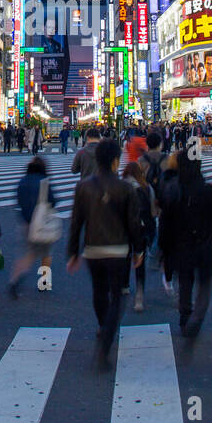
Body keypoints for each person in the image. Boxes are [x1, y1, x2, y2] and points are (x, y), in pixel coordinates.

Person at [67, 138, 142, 371]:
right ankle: (106, 341)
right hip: (118, 250)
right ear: (115, 161)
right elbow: (134, 224)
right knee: (117, 297)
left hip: (93, 249)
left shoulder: (84, 187)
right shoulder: (126, 188)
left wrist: (72, 252)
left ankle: (102, 326)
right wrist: (138, 249)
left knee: (99, 291)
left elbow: (76, 222)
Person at [161, 150, 212, 340]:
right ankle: (196, 318)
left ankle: (184, 317)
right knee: (205, 284)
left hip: (181, 245)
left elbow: (165, 222)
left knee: (185, 281)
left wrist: (165, 249)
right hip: (204, 244)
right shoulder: (208, 190)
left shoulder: (173, 189)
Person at [9, 156, 57, 298]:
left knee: (28, 254)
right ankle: (44, 282)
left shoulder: (22, 181)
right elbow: (53, 201)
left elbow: (18, 200)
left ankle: (14, 279)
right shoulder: (44, 182)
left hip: (27, 223)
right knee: (46, 253)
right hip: (43, 223)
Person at [122, 161, 158, 312]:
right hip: (141, 228)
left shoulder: (120, 187)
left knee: (125, 256)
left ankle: (124, 286)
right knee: (139, 260)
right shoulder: (147, 187)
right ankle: (139, 295)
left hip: (123, 229)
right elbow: (153, 211)